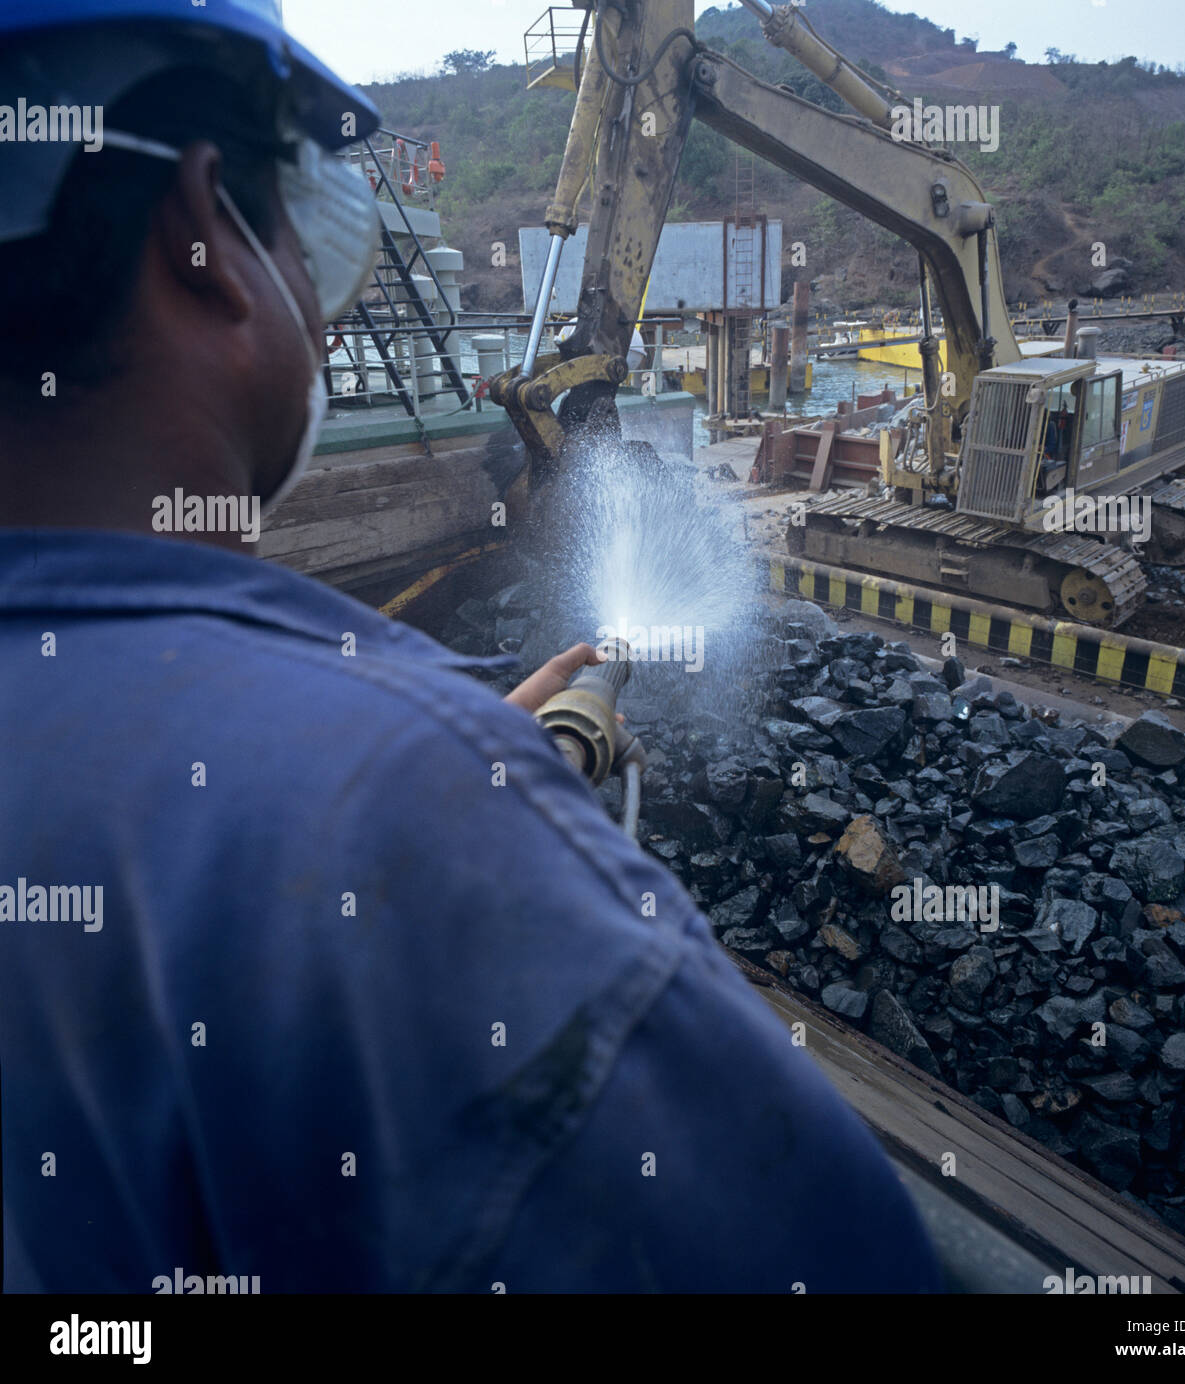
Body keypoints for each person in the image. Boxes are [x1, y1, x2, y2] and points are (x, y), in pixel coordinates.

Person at [0, 0, 940, 1293]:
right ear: (205, 235)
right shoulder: (410, 821)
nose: (323, 315)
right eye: (300, 235)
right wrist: (458, 808)